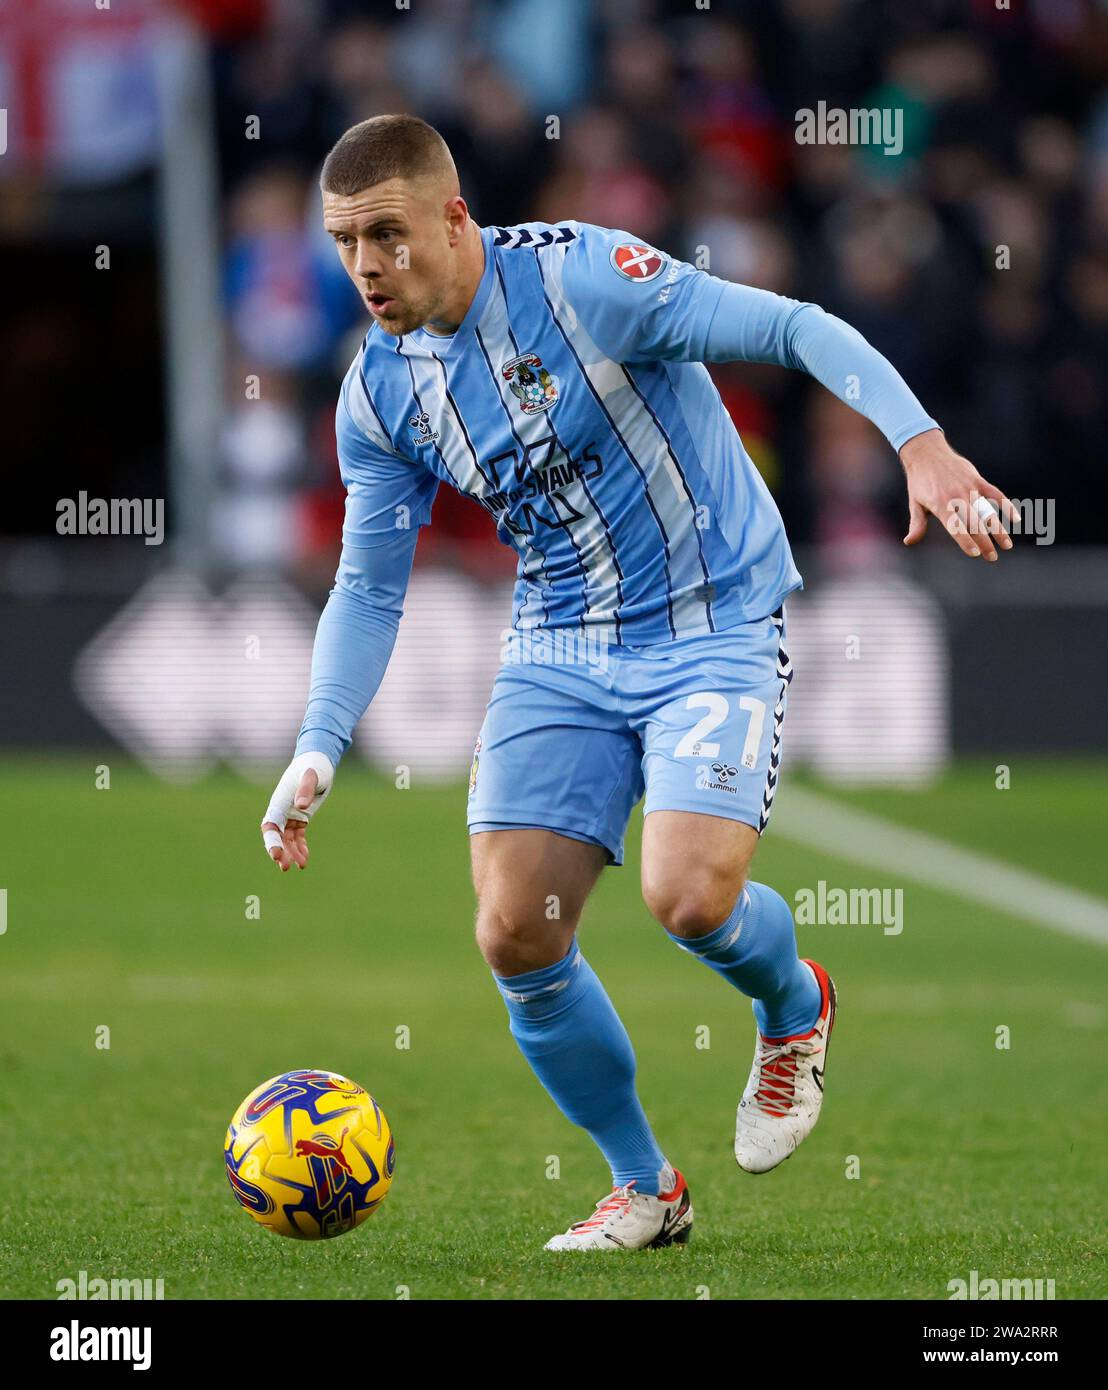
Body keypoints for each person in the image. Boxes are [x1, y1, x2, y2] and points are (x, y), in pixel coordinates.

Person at [261, 114, 1013, 1252]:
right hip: (559, 643)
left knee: (688, 898)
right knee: (516, 929)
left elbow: (796, 326)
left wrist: (918, 442)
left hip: (710, 617)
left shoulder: (587, 281)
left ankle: (794, 1003)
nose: (365, 265)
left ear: (454, 218)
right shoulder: (377, 393)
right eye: (343, 241)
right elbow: (368, 587)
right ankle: (646, 1188)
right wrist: (318, 741)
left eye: (386, 234)